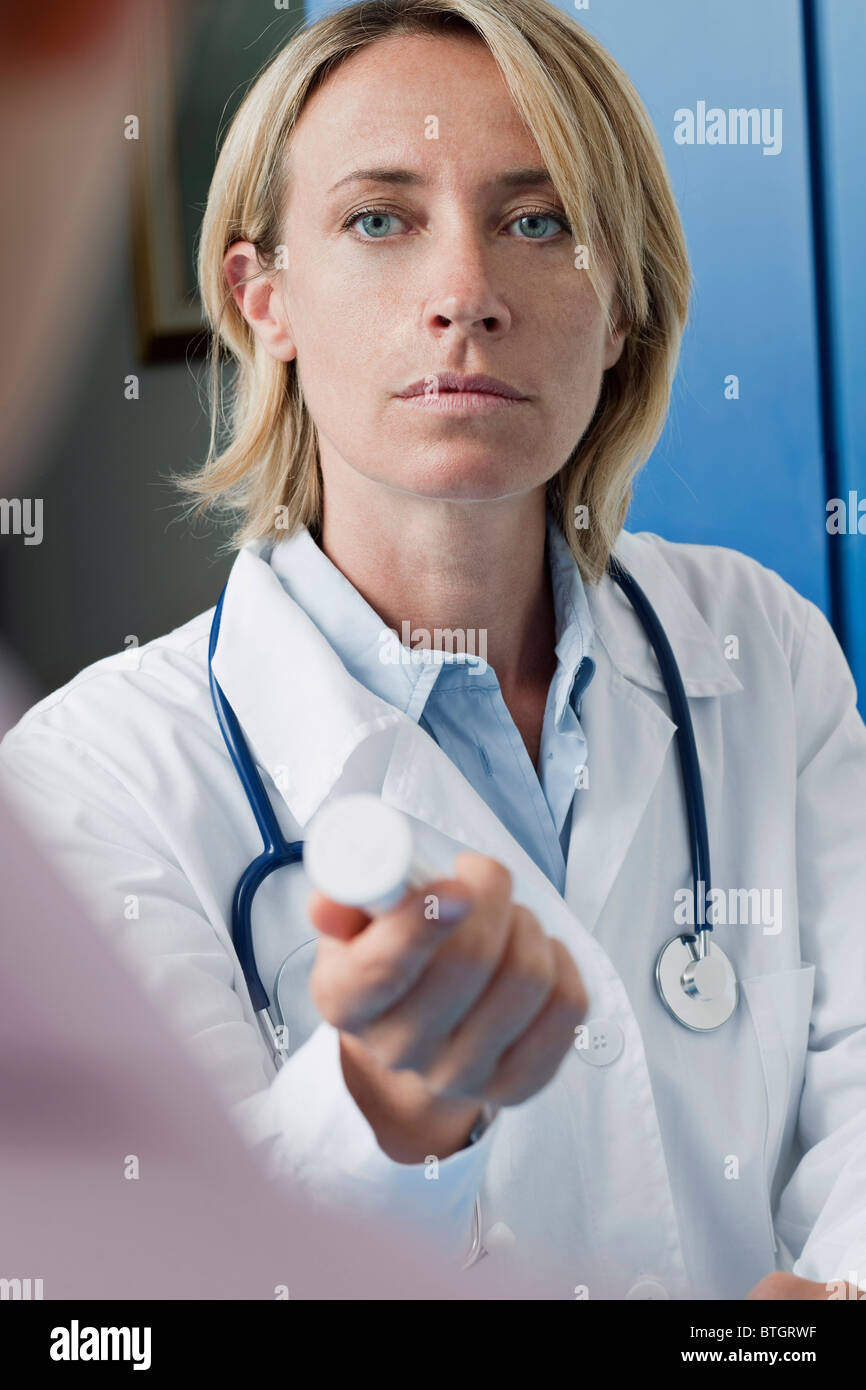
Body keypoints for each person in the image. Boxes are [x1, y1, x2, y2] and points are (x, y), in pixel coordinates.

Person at [2, 0, 864, 1300]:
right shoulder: (93, 776)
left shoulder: (759, 648)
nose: (464, 292)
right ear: (262, 296)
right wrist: (378, 1114)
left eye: (537, 220)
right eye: (378, 219)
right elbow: (133, 1292)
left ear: (621, 301)